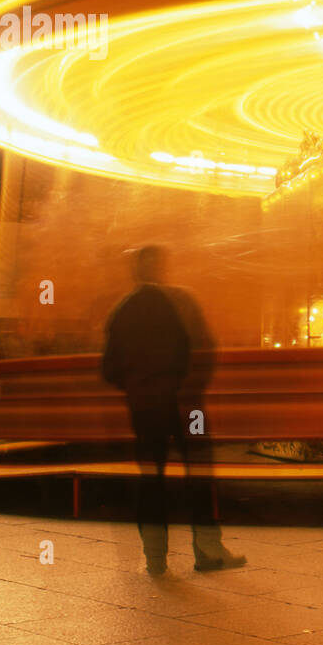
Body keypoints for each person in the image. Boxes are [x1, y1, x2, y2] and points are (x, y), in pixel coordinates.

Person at [101, 246, 244, 576]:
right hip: (188, 409)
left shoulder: (122, 310)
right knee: (199, 473)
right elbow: (206, 347)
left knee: (151, 479)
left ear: (135, 271)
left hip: (146, 409)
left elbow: (109, 369)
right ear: (163, 267)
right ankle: (208, 551)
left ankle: (155, 558)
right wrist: (191, 387)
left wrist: (137, 386)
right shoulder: (183, 301)